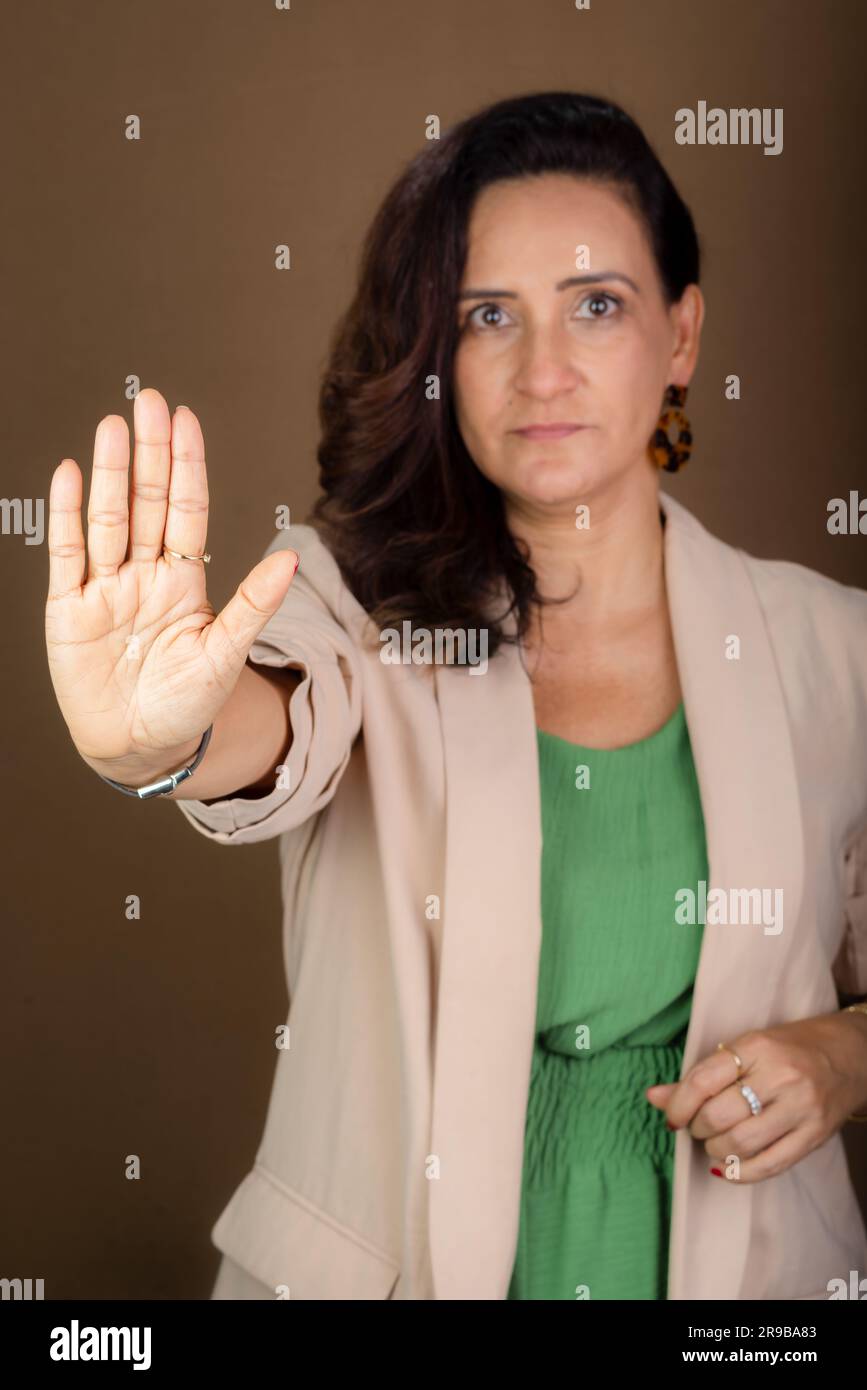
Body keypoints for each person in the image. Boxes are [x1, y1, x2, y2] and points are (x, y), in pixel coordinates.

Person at [45, 91, 867, 1301]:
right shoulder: (342, 598)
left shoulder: (834, 645)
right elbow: (272, 728)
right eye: (490, 316)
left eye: (597, 305)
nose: (545, 368)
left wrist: (844, 1055)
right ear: (440, 350)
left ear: (682, 335)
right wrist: (156, 744)